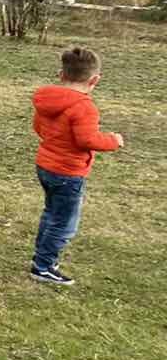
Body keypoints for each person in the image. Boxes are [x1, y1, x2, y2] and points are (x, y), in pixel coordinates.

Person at [29, 46, 124, 286]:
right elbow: (87, 140)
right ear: (95, 79)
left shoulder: (47, 101)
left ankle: (42, 257)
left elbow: (38, 127)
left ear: (61, 75)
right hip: (68, 172)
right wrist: (113, 140)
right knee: (63, 223)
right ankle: (43, 266)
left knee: (51, 214)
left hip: (46, 165)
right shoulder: (84, 107)